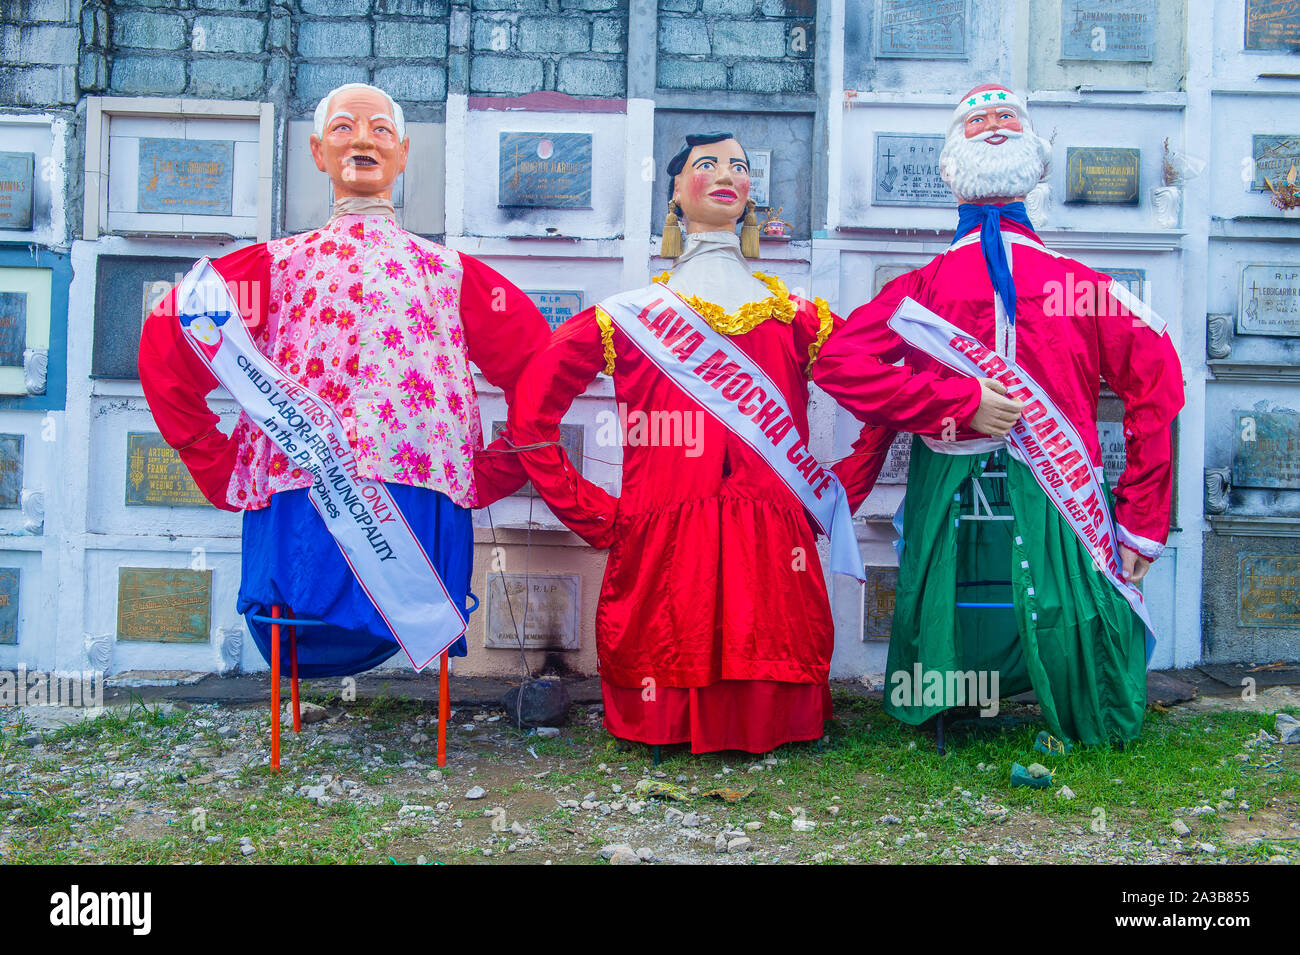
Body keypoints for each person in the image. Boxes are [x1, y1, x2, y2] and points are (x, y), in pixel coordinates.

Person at [813, 85, 1185, 746]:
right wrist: (955, 404)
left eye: (1005, 116)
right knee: (950, 596)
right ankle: (945, 706)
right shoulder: (920, 290)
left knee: (1065, 600)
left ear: (1036, 156)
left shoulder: (1079, 284)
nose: (991, 125)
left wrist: (1142, 519)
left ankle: (1081, 705)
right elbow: (839, 362)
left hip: (1057, 485)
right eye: (975, 119)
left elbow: (1156, 376)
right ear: (950, 163)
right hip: (950, 476)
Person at [139, 83, 550, 676]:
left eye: (381, 129)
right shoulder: (274, 267)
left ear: (404, 152)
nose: (362, 139)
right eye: (343, 128)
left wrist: (502, 462)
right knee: (293, 621)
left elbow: (538, 364)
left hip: (418, 491)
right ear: (316, 151)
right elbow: (169, 334)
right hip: (302, 496)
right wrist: (212, 453)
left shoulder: (451, 274)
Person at [505, 132, 892, 753]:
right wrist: (594, 514)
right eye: (706, 164)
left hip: (773, 523)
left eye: (739, 166)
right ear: (676, 195)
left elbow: (885, 396)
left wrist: (834, 494)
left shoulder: (800, 318)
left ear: (750, 195)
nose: (726, 174)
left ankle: (769, 720)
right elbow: (530, 416)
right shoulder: (627, 318)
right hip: (662, 521)